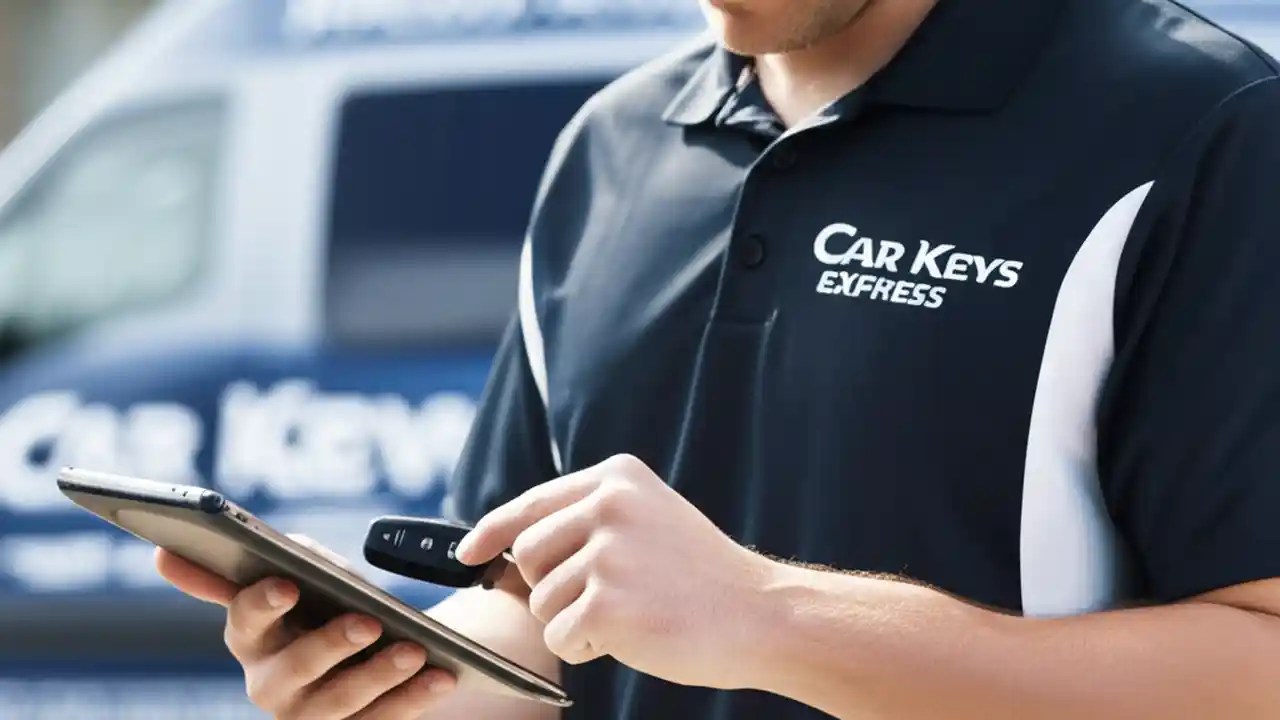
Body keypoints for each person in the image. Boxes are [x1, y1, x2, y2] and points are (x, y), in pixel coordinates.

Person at [157, 0, 1280, 717]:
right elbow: (544, 619)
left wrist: (770, 618)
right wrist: (393, 676)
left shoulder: (1204, 126)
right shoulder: (610, 148)